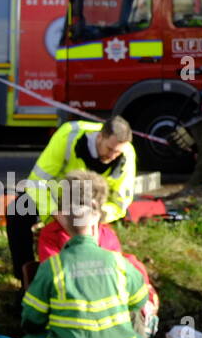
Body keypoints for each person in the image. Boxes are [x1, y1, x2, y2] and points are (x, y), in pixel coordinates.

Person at [20, 170, 148, 338]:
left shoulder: (54, 264)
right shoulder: (115, 258)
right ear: (97, 212)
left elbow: (32, 318)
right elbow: (137, 300)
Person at [8, 116, 135, 282]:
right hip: (55, 197)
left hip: (93, 207)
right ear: (99, 137)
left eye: (117, 152)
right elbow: (36, 183)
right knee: (17, 211)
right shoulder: (68, 136)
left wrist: (94, 217)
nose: (112, 156)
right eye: (109, 149)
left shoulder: (127, 154)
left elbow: (120, 203)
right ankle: (25, 277)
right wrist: (55, 214)